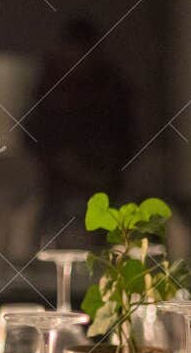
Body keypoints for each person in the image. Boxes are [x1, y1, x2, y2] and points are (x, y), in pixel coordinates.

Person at [22, 16, 136, 245]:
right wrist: (62, 161)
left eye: (84, 51)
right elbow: (32, 133)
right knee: (52, 250)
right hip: (57, 188)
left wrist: (100, 172)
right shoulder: (51, 87)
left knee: (105, 253)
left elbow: (128, 137)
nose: (78, 58)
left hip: (103, 187)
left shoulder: (111, 89)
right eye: (73, 50)